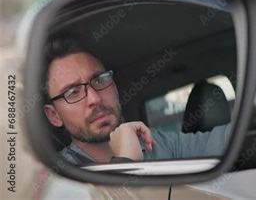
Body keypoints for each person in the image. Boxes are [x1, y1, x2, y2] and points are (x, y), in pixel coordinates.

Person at [42, 37, 231, 165]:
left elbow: (231, 141)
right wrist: (127, 161)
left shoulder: (158, 144)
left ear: (114, 87)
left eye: (100, 80)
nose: (95, 98)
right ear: (54, 115)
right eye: (73, 92)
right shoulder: (58, 177)